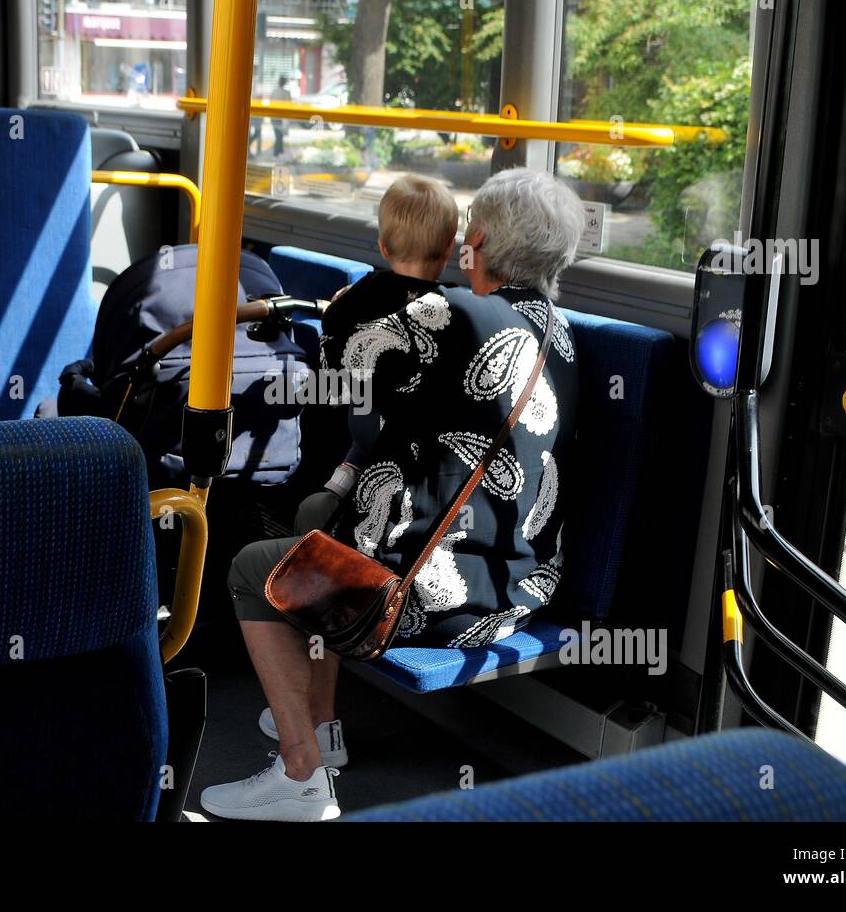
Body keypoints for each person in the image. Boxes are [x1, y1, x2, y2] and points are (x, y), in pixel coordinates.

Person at [199, 169, 585, 821]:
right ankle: (322, 731)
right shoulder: (563, 334)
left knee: (254, 567)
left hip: (429, 599)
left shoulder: (453, 314)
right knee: (327, 542)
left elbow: (350, 378)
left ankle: (300, 774)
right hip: (525, 588)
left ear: (479, 241)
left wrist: (343, 309)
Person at [296, 173, 460, 534]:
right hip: (425, 442)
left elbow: (333, 325)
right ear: (450, 248)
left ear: (383, 247)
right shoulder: (454, 304)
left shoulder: (369, 289)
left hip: (369, 424)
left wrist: (335, 307)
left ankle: (341, 479)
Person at [270, 74, 292, 157]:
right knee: (279, 135)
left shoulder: (274, 91)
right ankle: (277, 152)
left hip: (274, 117)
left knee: (278, 135)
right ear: (284, 83)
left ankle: (279, 151)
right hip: (282, 118)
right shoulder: (287, 93)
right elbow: (289, 105)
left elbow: (271, 103)